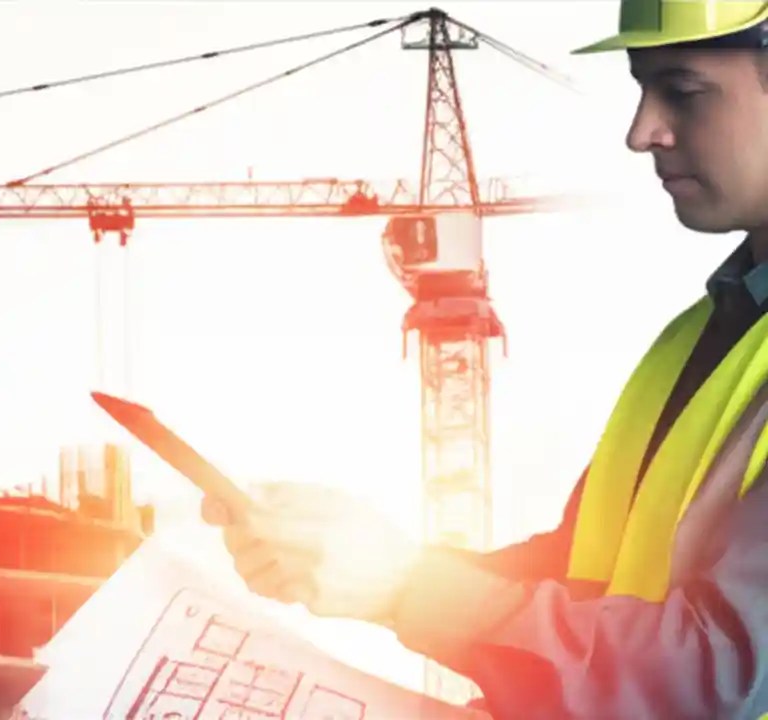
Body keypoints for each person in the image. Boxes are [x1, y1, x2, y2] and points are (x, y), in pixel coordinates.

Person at [201, 2, 768, 717]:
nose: (641, 132)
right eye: (641, 89)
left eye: (682, 90)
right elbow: (585, 572)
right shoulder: (703, 333)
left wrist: (408, 587)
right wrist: (352, 561)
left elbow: (720, 677)